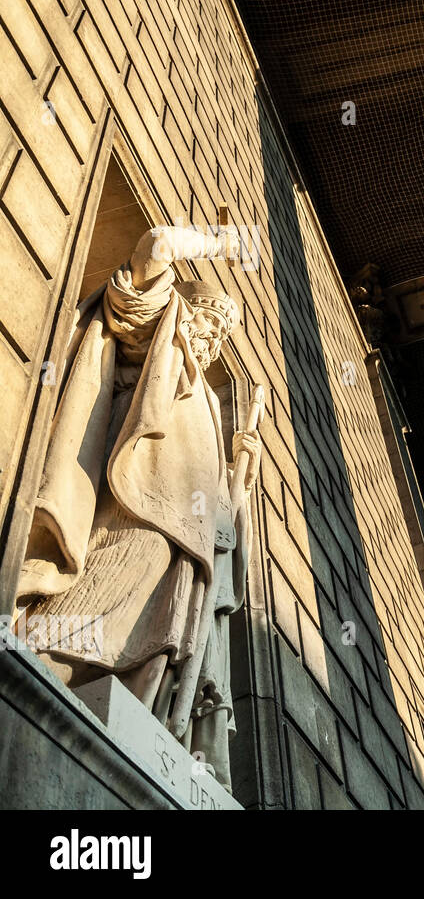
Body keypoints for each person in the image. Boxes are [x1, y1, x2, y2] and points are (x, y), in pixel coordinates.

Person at [15, 223, 259, 791]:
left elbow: (223, 524)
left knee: (157, 648)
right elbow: (155, 247)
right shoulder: (153, 338)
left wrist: (238, 482)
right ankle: (33, 668)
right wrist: (220, 243)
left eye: (220, 332)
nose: (211, 336)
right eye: (207, 320)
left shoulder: (200, 390)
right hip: (135, 519)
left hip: (185, 548)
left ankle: (141, 724)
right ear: (181, 309)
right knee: (91, 615)